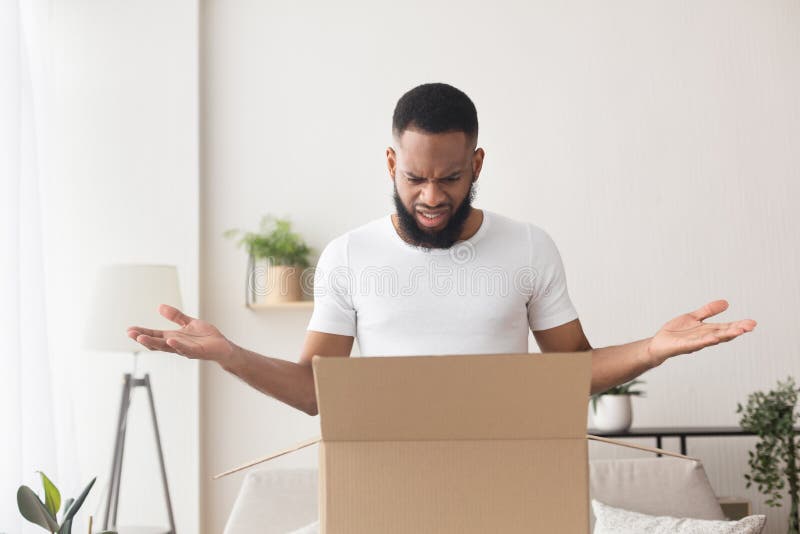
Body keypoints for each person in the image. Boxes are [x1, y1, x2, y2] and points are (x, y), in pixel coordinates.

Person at [127, 83, 756, 416]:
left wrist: (653, 349)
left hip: (511, 467)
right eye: (415, 178)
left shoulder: (529, 247)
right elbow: (319, 392)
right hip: (387, 471)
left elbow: (574, 373)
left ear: (476, 162)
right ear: (391, 162)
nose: (431, 196)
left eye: (451, 179)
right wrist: (229, 354)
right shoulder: (349, 257)